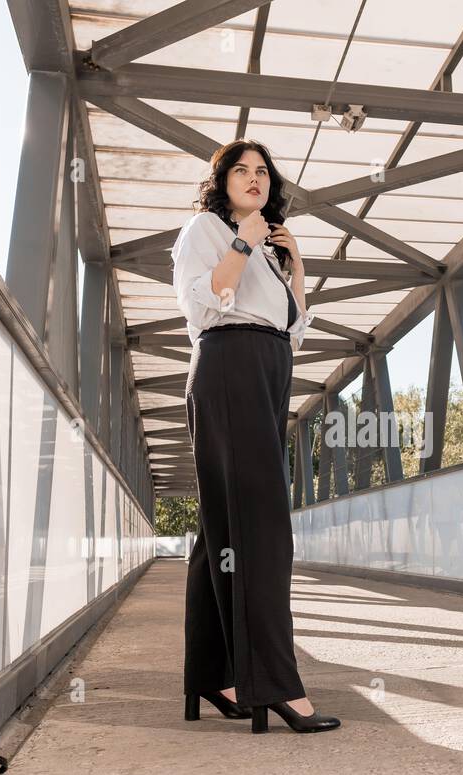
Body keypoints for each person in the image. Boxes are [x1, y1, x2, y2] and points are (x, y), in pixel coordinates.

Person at [171, 139, 341, 735]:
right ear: (222, 183)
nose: (254, 178)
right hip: (228, 361)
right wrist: (243, 239)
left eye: (262, 172)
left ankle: (211, 677)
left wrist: (294, 265)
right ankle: (275, 686)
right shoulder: (206, 230)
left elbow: (292, 330)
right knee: (263, 525)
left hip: (269, 365)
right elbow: (208, 300)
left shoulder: (271, 248)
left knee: (221, 526)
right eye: (240, 171)